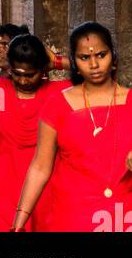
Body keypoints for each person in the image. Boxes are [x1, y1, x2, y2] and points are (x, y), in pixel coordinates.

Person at [13, 21, 132, 233]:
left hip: (124, 214)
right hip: (73, 216)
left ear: (113, 56)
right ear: (75, 62)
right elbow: (40, 167)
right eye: (84, 57)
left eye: (101, 55)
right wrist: (19, 220)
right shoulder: (57, 105)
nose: (94, 64)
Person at [0, 33, 71, 233]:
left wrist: (58, 61)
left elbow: (102, 74)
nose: (23, 81)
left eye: (30, 74)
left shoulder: (59, 93)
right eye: (17, 73)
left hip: (44, 194)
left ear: (43, 69)